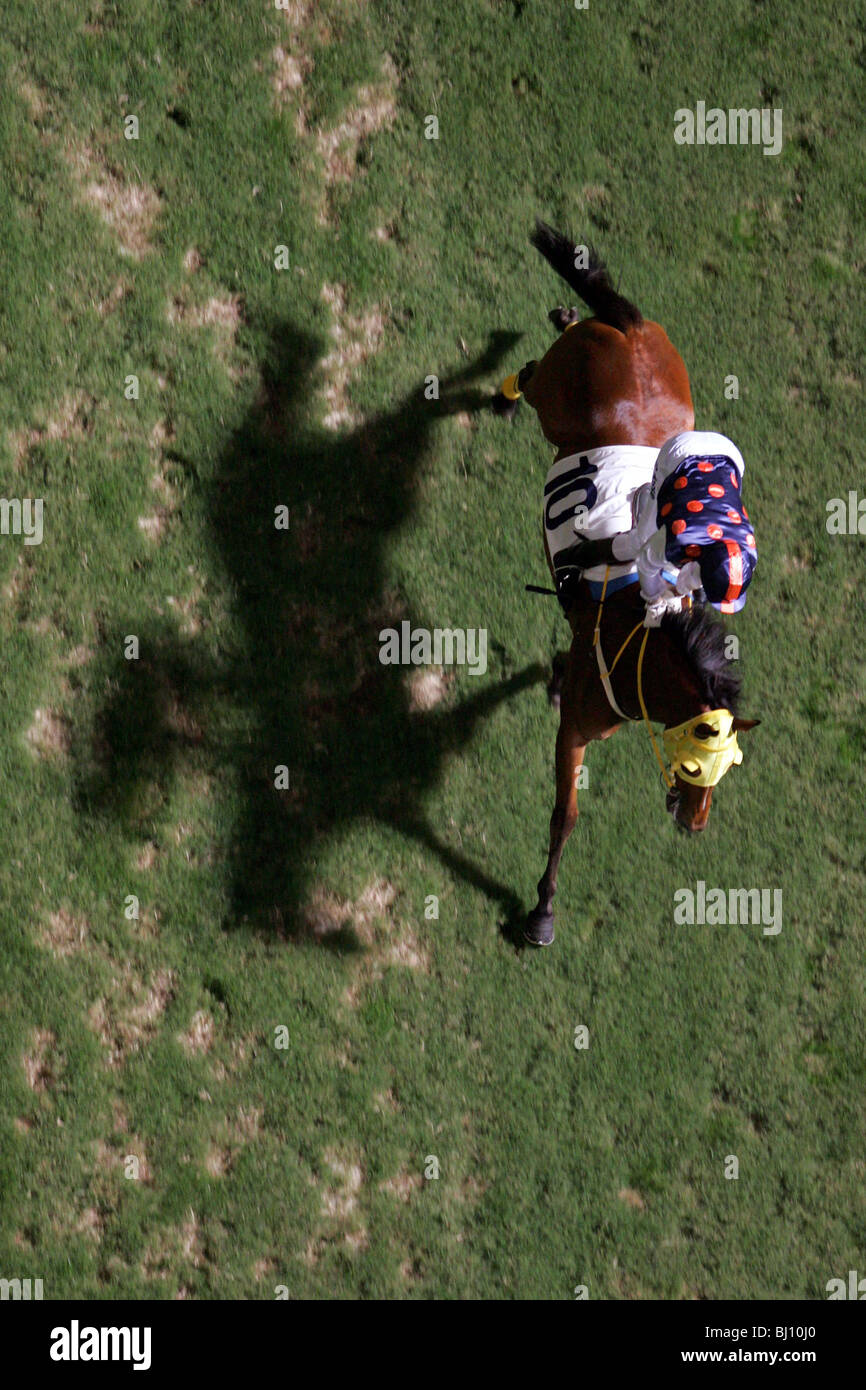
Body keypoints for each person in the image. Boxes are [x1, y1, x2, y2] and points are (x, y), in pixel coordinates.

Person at [558, 430, 757, 620]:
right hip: (679, 454)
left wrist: (679, 590)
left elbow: (708, 568)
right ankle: (572, 557)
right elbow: (645, 562)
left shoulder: (749, 554)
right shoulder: (679, 538)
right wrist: (653, 598)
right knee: (639, 542)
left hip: (729, 452)